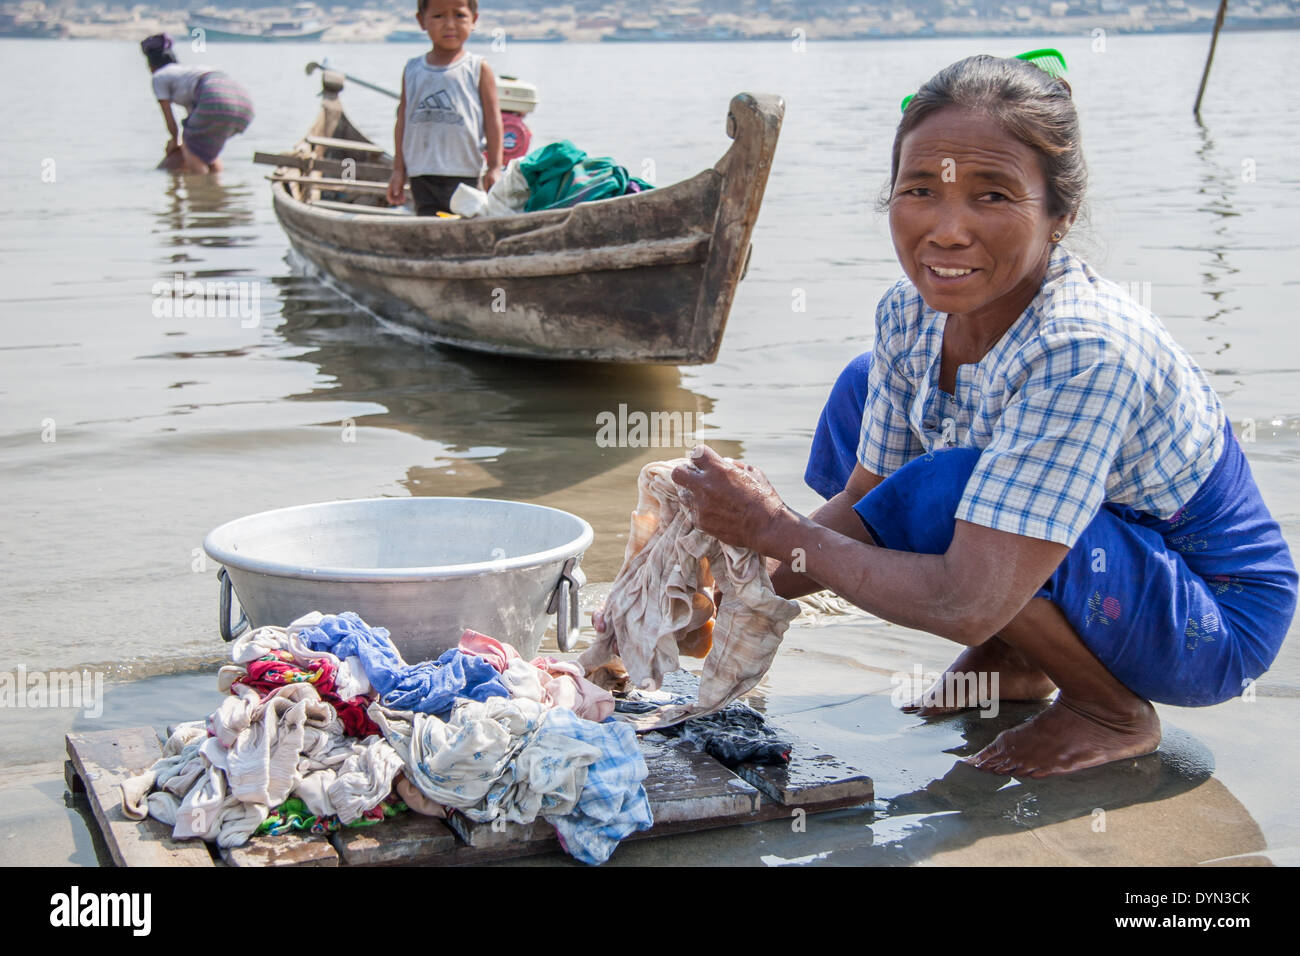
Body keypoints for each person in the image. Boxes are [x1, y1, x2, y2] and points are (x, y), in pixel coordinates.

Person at [660, 55, 1297, 778]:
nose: (948, 230)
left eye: (993, 196)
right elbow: (869, 499)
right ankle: (1018, 658)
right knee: (861, 389)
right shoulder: (908, 310)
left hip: (1209, 623)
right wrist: (715, 594)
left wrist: (771, 529)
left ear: (1060, 217)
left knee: (953, 490)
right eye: (921, 190)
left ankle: (1108, 708)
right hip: (1090, 556)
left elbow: (963, 600)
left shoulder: (1083, 347)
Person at [386, 0, 504, 215]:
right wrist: (398, 170)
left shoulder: (477, 67)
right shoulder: (413, 69)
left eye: (459, 15)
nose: (450, 24)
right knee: (429, 226)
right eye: (438, 16)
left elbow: (493, 120)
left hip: (464, 170)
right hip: (421, 172)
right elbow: (402, 121)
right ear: (421, 21)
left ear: (474, 20)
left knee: (465, 225)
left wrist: (495, 167)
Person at [141, 34, 253, 174]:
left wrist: (174, 140)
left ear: (150, 66)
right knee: (205, 147)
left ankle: (201, 187)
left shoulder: (159, 77)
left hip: (214, 97)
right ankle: (217, 187)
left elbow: (169, 118)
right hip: (243, 102)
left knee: (190, 146)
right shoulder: (187, 73)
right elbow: (194, 120)